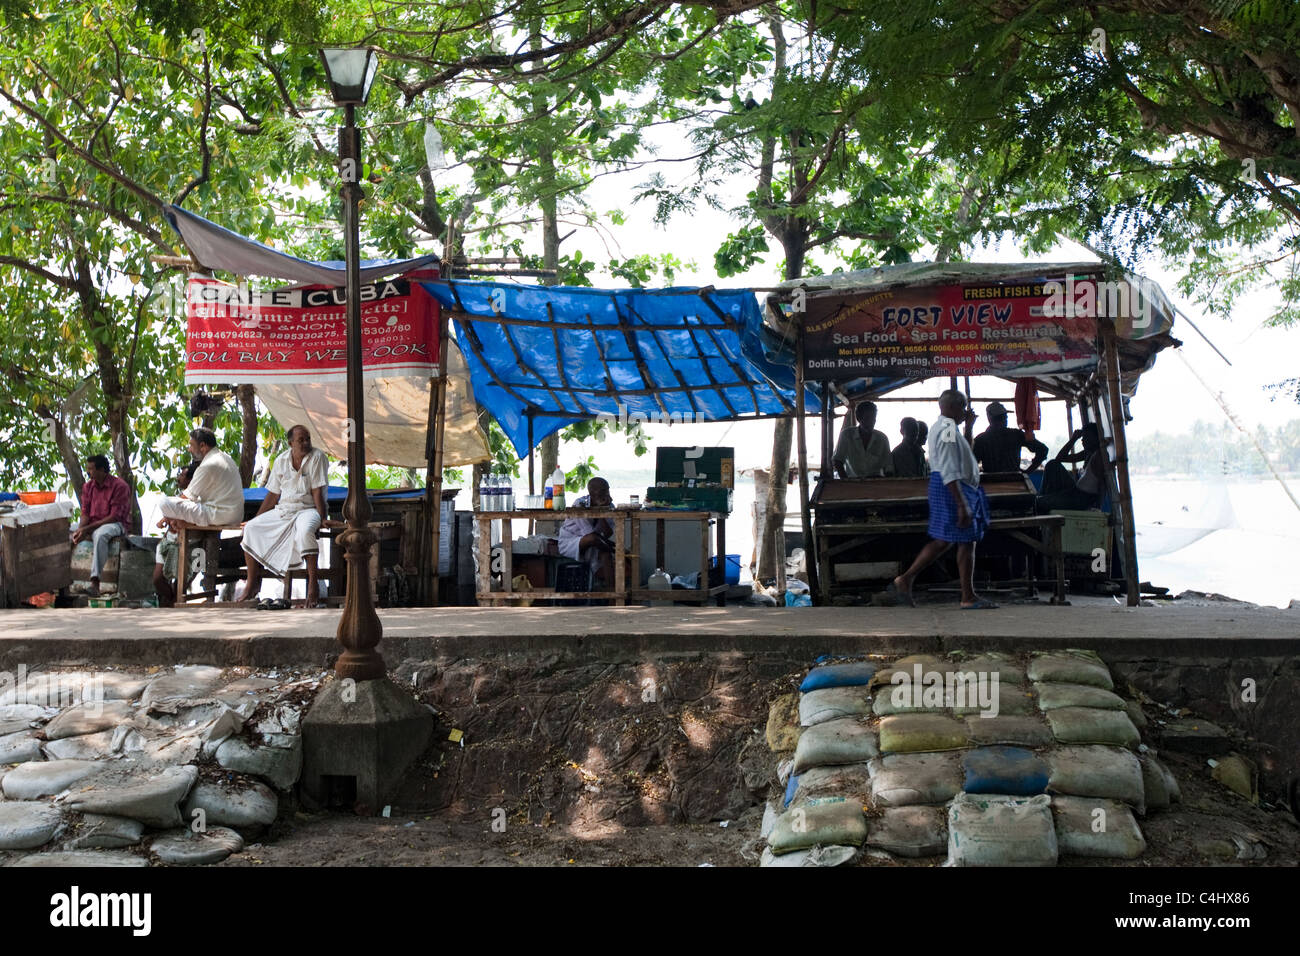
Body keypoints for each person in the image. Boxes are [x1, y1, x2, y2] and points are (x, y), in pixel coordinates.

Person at [889, 389, 997, 610]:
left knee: (947, 540)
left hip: (952, 485)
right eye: (963, 406)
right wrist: (961, 502)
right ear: (951, 406)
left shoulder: (949, 428)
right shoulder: (947, 428)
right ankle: (967, 596)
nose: (965, 411)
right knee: (963, 541)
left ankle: (907, 579)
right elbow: (949, 466)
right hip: (952, 487)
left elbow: (962, 453)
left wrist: (969, 426)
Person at [238, 425, 330, 606]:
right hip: (284, 510)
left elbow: (317, 491)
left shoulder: (317, 457)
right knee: (250, 529)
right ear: (290, 443)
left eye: (307, 439)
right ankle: (251, 583)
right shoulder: (281, 461)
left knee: (305, 532)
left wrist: (322, 518)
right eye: (301, 440)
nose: (305, 443)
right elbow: (273, 494)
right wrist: (256, 519)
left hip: (308, 510)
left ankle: (312, 584)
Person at [71, 453, 134, 597]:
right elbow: (85, 512)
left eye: (91, 469)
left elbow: (114, 516)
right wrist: (81, 530)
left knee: (101, 535)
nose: (88, 472)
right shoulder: (88, 487)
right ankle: (65, 580)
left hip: (115, 524)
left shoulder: (119, 486)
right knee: (68, 530)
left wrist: (87, 529)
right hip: (92, 524)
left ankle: (95, 582)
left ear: (102, 470)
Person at [158, 427, 244, 528]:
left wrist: (167, 516)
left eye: (191, 445)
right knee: (193, 503)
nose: (189, 449)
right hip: (235, 515)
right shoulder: (226, 458)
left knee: (165, 503)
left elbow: (187, 498)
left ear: (202, 446)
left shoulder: (208, 464)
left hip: (219, 515)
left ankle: (181, 523)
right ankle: (181, 522)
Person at [153, 461, 199, 607]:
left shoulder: (199, 499)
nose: (179, 478)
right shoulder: (179, 497)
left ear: (192, 480)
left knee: (181, 581)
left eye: (182, 475)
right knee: (157, 579)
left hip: (187, 543)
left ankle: (173, 601)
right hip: (170, 541)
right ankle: (173, 599)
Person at [558, 477, 617, 587]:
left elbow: (608, 533)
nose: (607, 493)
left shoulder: (609, 506)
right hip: (571, 541)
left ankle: (612, 594)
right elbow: (590, 535)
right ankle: (615, 550)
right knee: (595, 540)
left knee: (606, 553)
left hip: (595, 542)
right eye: (604, 490)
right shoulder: (580, 504)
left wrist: (602, 512)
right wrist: (614, 547)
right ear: (593, 492)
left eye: (607, 490)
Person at [1035, 423, 1106, 514]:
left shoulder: (1099, 456)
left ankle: (1044, 501)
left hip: (1082, 499)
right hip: (1074, 491)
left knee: (1039, 503)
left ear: (1096, 438)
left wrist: (1097, 507)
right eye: (1083, 437)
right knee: (1052, 464)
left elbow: (1103, 484)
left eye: (1086, 437)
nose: (1083, 440)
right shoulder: (1088, 452)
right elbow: (1059, 458)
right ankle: (1043, 497)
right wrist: (1073, 439)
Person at [972, 401, 1048, 474]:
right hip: (1015, 481)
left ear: (989, 419)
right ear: (1005, 418)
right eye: (1004, 417)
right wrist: (1028, 472)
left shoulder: (981, 439)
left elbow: (971, 464)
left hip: (990, 483)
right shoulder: (1016, 434)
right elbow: (1043, 450)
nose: (1005, 419)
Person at [833, 401, 895, 478]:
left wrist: (886, 485)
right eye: (868, 418)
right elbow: (838, 461)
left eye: (874, 418)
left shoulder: (882, 438)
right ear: (859, 418)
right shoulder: (847, 435)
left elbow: (888, 466)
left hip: (876, 483)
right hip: (853, 483)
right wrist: (846, 482)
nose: (872, 421)